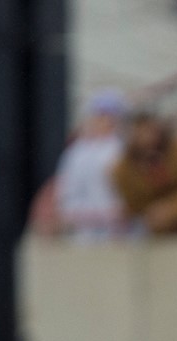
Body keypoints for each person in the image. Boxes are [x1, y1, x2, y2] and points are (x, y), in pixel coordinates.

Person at [111, 111, 177, 233]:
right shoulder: (123, 169)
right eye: (139, 133)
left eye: (149, 131)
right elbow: (135, 205)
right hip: (161, 231)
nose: (147, 138)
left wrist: (173, 209)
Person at [43, 90, 131, 237]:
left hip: (118, 232)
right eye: (99, 115)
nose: (104, 121)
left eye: (109, 116)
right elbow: (66, 191)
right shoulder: (76, 153)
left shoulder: (123, 149)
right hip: (82, 232)